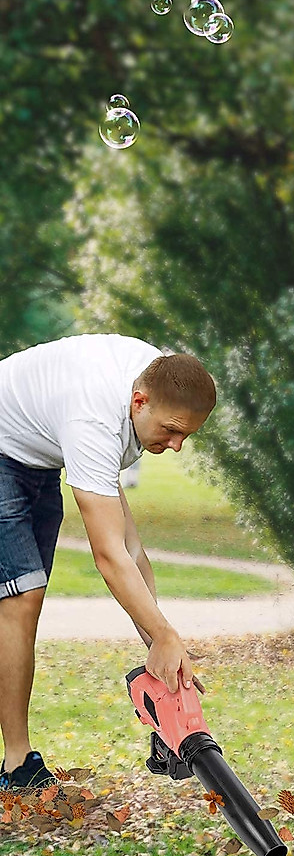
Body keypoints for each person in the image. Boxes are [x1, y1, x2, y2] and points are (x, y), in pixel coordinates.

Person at [0, 334, 214, 792]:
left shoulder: (155, 382)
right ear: (139, 401)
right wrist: (163, 634)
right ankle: (17, 764)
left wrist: (160, 649)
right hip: (3, 453)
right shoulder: (92, 417)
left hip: (39, 459)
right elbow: (108, 555)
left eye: (187, 436)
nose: (176, 446)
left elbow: (133, 550)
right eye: (172, 430)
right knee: (22, 596)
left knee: (19, 599)